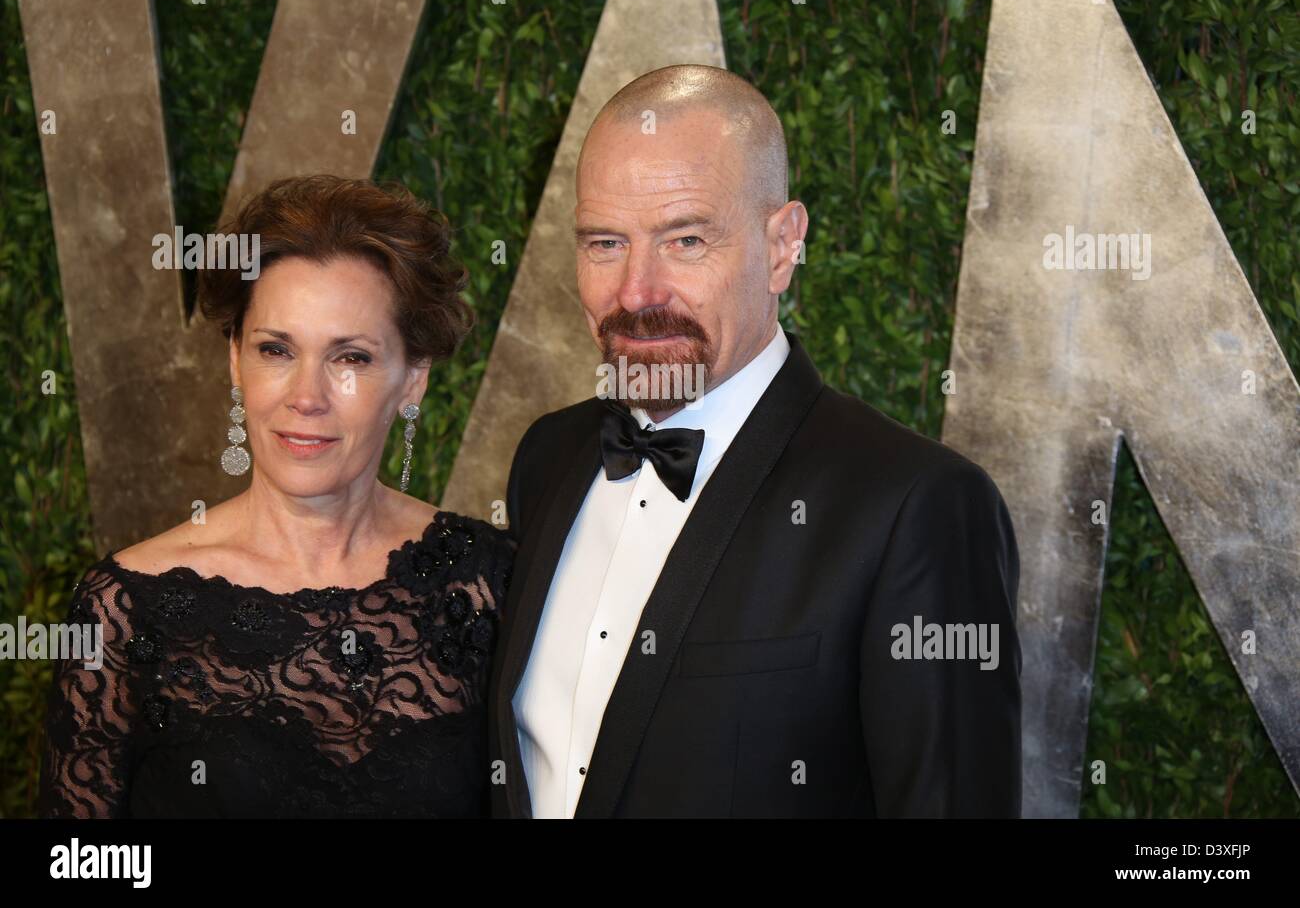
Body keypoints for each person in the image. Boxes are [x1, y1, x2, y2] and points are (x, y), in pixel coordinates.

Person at [490, 65, 1022, 818]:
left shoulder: (918, 507)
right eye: (606, 242)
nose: (637, 291)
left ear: (782, 246)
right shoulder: (547, 458)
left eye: (685, 239)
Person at [39, 175, 514, 817]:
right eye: (275, 349)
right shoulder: (124, 610)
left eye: (350, 357)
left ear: (413, 379)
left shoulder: (488, 583)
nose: (306, 395)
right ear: (236, 359)